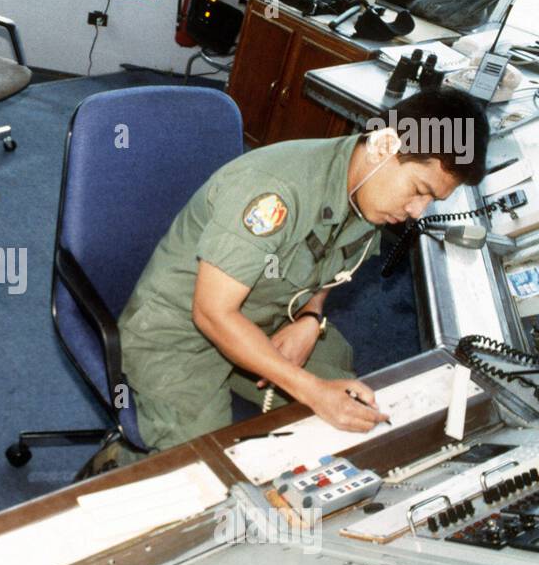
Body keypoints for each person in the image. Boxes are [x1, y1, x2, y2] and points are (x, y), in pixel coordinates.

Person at [117, 87, 490, 454]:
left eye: (431, 200)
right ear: (383, 145)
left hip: (268, 316)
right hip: (180, 334)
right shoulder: (276, 193)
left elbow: (327, 265)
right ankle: (123, 458)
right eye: (419, 190)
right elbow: (211, 313)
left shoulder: (367, 190)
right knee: (212, 469)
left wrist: (311, 317)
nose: (416, 211)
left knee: (356, 414)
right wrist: (310, 390)